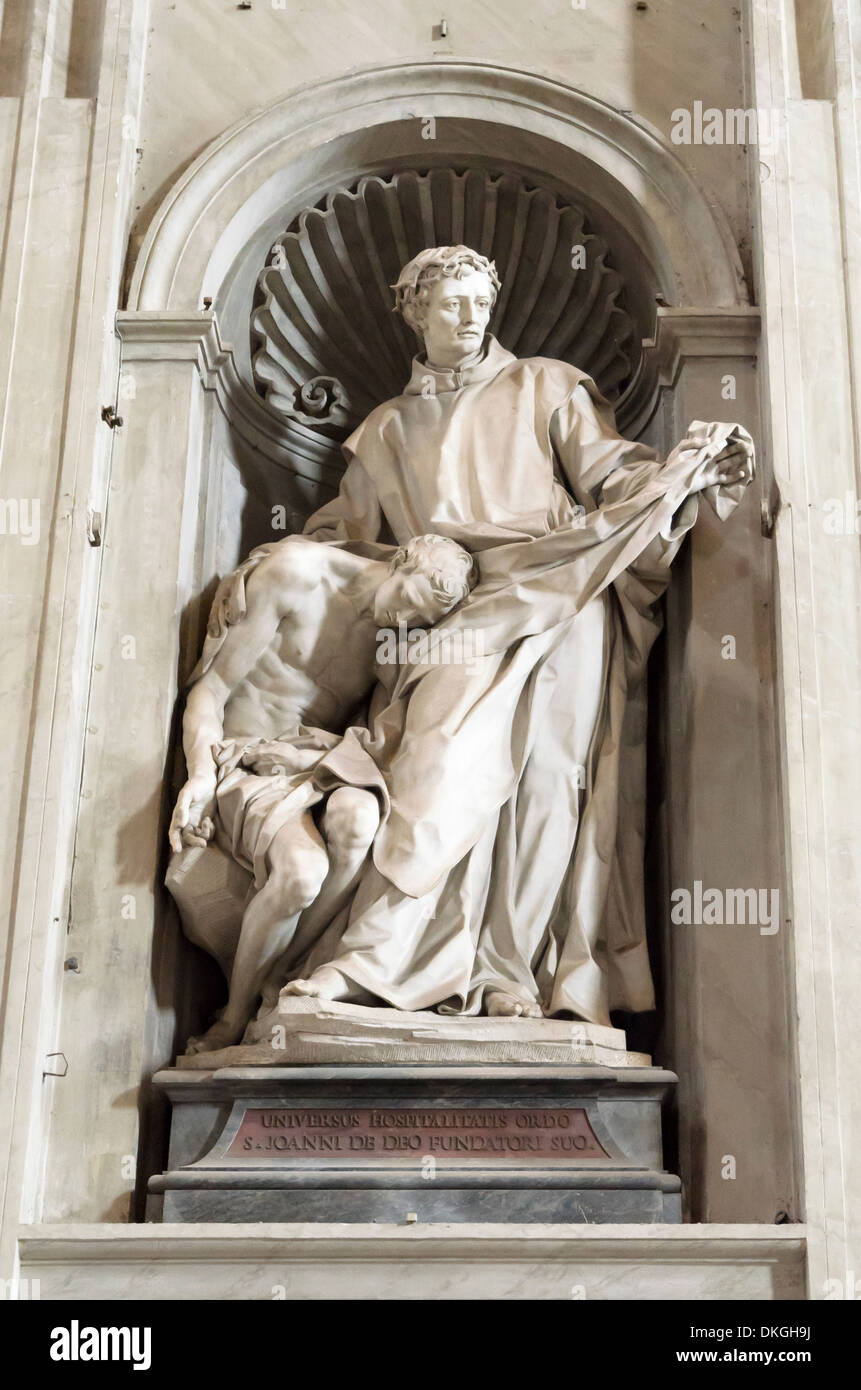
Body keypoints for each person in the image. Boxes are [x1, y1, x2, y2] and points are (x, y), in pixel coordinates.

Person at [272, 244, 754, 1025]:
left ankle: (511, 974)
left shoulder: (547, 385)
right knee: (431, 768)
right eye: (452, 303)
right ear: (415, 312)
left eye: (479, 303)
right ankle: (373, 961)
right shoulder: (384, 430)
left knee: (547, 788)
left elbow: (615, 474)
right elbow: (347, 546)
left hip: (563, 593)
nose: (470, 318)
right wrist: (286, 571)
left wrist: (683, 476)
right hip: (454, 605)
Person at [167, 531, 475, 1052]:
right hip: (247, 759)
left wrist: (310, 756)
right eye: (407, 604)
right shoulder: (297, 573)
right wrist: (199, 773)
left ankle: (282, 974)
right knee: (302, 874)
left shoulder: (394, 638)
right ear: (399, 562)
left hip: (316, 760)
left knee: (359, 821)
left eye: (418, 621)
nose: (402, 624)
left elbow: (380, 741)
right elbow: (210, 692)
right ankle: (236, 1015)